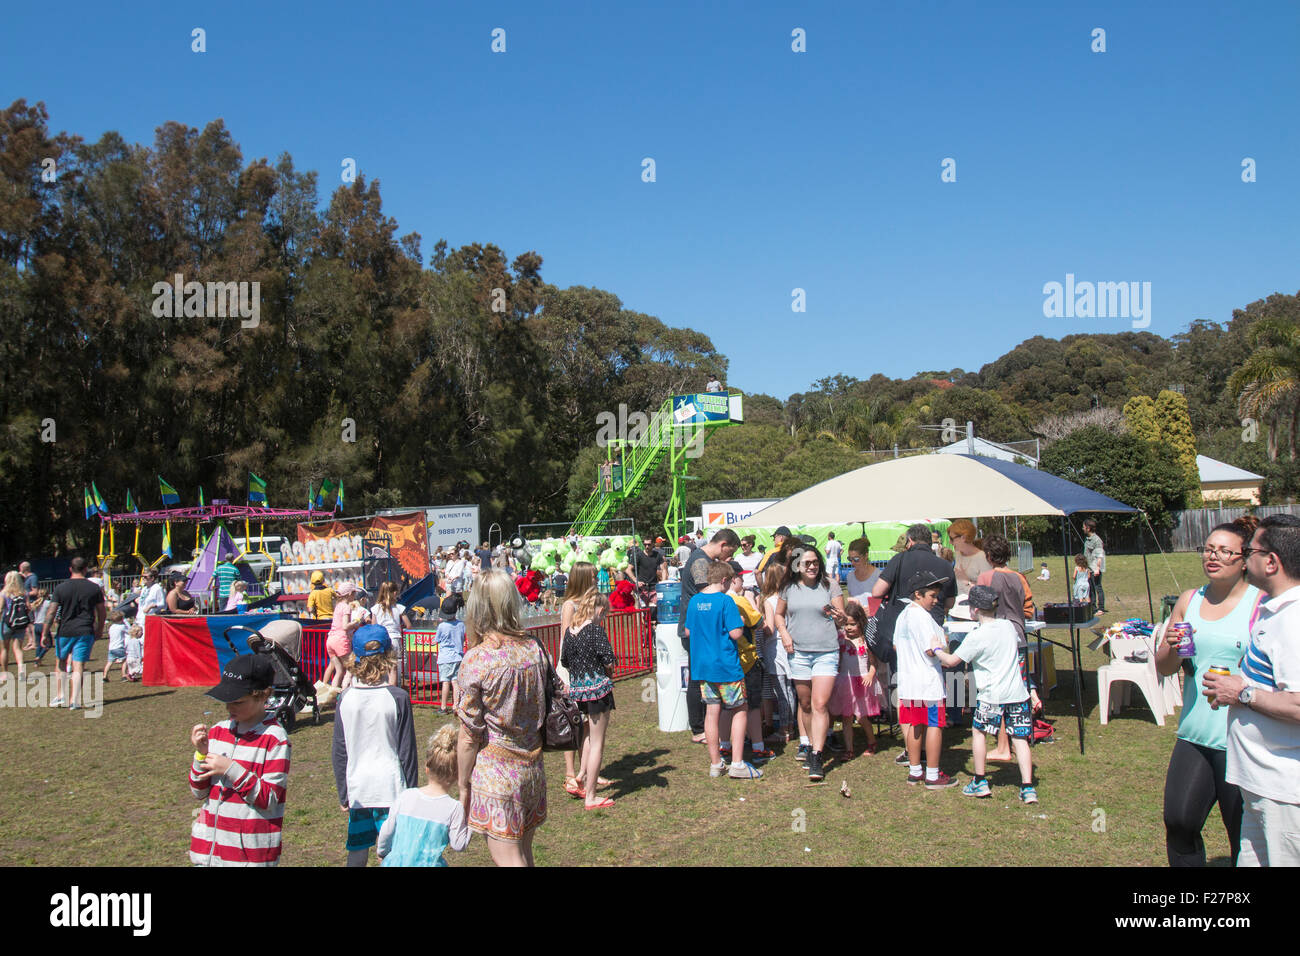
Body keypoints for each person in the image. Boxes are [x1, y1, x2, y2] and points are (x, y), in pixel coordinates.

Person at [1157, 517, 1258, 866]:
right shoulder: (1190, 599)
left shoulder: (1260, 604)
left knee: (1243, 835)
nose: (1213, 557)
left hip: (1242, 737)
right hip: (1195, 732)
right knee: (1179, 821)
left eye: (1224, 551)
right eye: (1208, 549)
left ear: (1244, 559)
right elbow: (1166, 667)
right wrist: (1170, 646)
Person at [1203, 513, 1300, 867]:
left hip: (1285, 793)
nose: (1244, 556)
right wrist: (1244, 684)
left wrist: (1242, 694)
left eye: (1250, 550)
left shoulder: (1293, 620)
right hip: (1262, 784)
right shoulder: (1275, 611)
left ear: (1271, 562)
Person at [455, 570, 549, 866]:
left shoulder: (478, 658)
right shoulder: (533, 648)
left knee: (510, 860)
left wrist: (462, 783)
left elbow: (469, 733)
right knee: (524, 854)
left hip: (496, 770)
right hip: (532, 766)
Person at [933, 585, 1037, 802]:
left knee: (979, 732)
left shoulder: (976, 636)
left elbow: (952, 661)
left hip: (991, 695)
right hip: (1017, 693)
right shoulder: (1008, 627)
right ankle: (1027, 787)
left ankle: (980, 781)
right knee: (1019, 737)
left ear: (975, 610)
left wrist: (936, 650)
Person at [188, 655, 290, 866]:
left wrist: (231, 770)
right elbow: (198, 792)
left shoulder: (274, 738)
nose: (229, 708)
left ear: (263, 696)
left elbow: (269, 799)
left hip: (249, 856)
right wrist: (200, 754)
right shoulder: (217, 731)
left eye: (238, 702)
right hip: (209, 852)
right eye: (227, 700)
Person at [333, 624, 419, 867]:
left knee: (358, 849)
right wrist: (412, 793)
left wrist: (343, 792)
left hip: (358, 788)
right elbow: (407, 751)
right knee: (390, 852)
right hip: (391, 788)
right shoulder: (398, 697)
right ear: (389, 657)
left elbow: (340, 750)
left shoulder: (345, 699)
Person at [684, 560, 762, 780]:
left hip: (703, 667)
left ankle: (716, 763)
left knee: (711, 712)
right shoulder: (726, 601)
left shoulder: (695, 601)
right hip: (726, 666)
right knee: (739, 709)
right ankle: (737, 763)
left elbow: (688, 631)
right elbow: (736, 633)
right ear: (725, 580)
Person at [776, 544, 847, 781]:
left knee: (819, 703)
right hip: (798, 652)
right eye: (807, 563)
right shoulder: (788, 587)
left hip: (826, 651)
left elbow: (842, 618)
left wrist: (841, 617)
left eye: (815, 562)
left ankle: (817, 754)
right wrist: (784, 633)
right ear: (797, 565)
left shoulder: (830, 585)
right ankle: (806, 742)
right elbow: (778, 614)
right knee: (805, 703)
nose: (812, 566)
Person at [976, 534, 1042, 760]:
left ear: (989, 556)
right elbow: (1029, 608)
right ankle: (1018, 739)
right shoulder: (1019, 577)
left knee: (999, 693)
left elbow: (977, 609)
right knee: (1018, 690)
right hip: (1018, 637)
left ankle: (1003, 746)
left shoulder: (985, 577)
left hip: (995, 641)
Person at [894, 570, 959, 789]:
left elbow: (896, 644)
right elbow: (931, 649)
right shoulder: (921, 617)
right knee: (934, 725)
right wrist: (941, 646)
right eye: (932, 595)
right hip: (928, 683)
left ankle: (915, 771)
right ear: (918, 594)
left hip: (908, 682)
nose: (936, 600)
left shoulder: (903, 615)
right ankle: (932, 774)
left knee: (915, 724)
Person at [377, 725, 471, 867]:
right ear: (456, 775)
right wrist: (471, 816)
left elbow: (387, 830)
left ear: (427, 768)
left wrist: (382, 852)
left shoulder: (406, 796)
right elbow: (459, 844)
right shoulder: (453, 808)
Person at [679, 529, 741, 743]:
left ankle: (709, 723)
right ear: (723, 544)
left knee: (704, 677)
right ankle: (698, 728)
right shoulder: (700, 561)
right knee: (698, 677)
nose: (728, 558)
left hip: (702, 628)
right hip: (697, 629)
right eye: (729, 552)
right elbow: (708, 593)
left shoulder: (703, 559)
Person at [560, 589, 618, 809]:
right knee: (597, 743)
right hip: (598, 691)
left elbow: (565, 661)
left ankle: (583, 777)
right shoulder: (594, 631)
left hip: (578, 692)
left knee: (586, 737)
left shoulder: (571, 631)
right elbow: (609, 660)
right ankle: (592, 795)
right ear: (600, 610)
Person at [726, 562, 775, 765]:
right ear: (733, 579)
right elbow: (760, 624)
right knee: (752, 705)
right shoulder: (739, 600)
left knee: (726, 706)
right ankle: (758, 747)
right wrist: (756, 604)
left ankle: (725, 746)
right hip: (746, 660)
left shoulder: (713, 600)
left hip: (725, 661)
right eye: (740, 578)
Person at [560, 561, 600, 793]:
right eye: (593, 576)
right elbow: (567, 638)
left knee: (589, 721)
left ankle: (587, 771)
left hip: (589, 667)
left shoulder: (591, 604)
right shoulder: (570, 605)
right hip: (572, 668)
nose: (596, 580)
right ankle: (569, 773)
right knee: (572, 720)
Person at [48, 557, 106, 710]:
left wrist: (45, 632)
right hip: (85, 630)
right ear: (85, 569)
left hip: (65, 631)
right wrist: (100, 628)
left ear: (70, 569)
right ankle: (74, 700)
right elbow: (102, 610)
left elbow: (52, 611)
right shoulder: (94, 588)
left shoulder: (61, 588)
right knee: (78, 665)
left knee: (61, 663)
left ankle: (60, 696)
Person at [830, 602, 882, 758]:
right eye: (846, 624)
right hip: (845, 682)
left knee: (861, 716)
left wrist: (870, 675)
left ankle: (871, 741)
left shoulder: (865, 641)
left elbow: (874, 663)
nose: (849, 628)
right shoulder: (841, 639)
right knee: (846, 717)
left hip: (861, 682)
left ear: (860, 623)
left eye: (852, 624)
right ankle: (849, 749)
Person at [761, 563, 798, 743]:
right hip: (790, 645)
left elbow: (770, 627)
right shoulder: (790, 598)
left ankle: (784, 729)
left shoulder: (770, 601)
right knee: (790, 690)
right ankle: (791, 725)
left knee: (781, 691)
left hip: (775, 648)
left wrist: (758, 625)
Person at [318, 582, 366, 705]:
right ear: (350, 594)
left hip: (331, 640)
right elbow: (345, 626)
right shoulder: (346, 606)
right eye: (354, 593)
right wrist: (358, 620)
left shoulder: (338, 605)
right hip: (340, 640)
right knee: (351, 668)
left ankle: (331, 698)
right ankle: (345, 695)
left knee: (339, 670)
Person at [371, 581, 412, 686]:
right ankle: (393, 691)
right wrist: (400, 627)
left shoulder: (376, 608)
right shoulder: (399, 608)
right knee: (393, 668)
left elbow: (373, 626)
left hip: (380, 639)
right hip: (394, 638)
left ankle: (382, 688)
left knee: (381, 666)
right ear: (394, 593)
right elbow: (408, 625)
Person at [436, 594, 466, 713]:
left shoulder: (442, 626)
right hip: (458, 656)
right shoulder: (461, 624)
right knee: (455, 682)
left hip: (445, 657)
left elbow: (437, 639)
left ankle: (443, 706)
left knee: (445, 682)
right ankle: (456, 705)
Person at [0, 570, 32, 681]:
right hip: (20, 624)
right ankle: (21, 669)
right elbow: (28, 608)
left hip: (7, 623)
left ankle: (4, 674)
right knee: (18, 648)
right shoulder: (24, 593)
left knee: (4, 649)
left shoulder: (4, 593)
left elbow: (0, 609)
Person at [947, 519, 992, 596]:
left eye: (951, 538)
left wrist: (967, 581)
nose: (950, 542)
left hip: (976, 606)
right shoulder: (958, 555)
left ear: (963, 537)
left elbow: (987, 592)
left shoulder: (983, 558)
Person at [844, 536, 881, 612]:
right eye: (850, 559)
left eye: (856, 559)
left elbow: (884, 603)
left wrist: (872, 609)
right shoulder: (850, 576)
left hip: (875, 621)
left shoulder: (878, 576)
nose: (853, 562)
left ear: (866, 556)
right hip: (858, 620)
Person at [1082, 518, 1107, 612]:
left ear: (1088, 528)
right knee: (1090, 588)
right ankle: (1093, 608)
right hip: (1088, 568)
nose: (1082, 528)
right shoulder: (1087, 539)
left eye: (1084, 527)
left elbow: (1100, 556)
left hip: (1095, 568)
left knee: (1098, 587)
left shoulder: (1097, 540)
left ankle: (1101, 608)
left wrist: (1097, 569)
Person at [102, 609, 129, 681]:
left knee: (110, 662)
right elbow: (129, 631)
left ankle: (105, 676)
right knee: (125, 660)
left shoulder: (111, 627)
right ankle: (124, 675)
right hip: (119, 647)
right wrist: (126, 623)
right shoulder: (122, 627)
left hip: (111, 648)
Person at [735, 535, 762, 599]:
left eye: (744, 545)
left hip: (756, 587)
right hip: (743, 588)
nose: (742, 547)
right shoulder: (738, 557)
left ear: (750, 545)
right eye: (741, 545)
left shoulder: (759, 556)